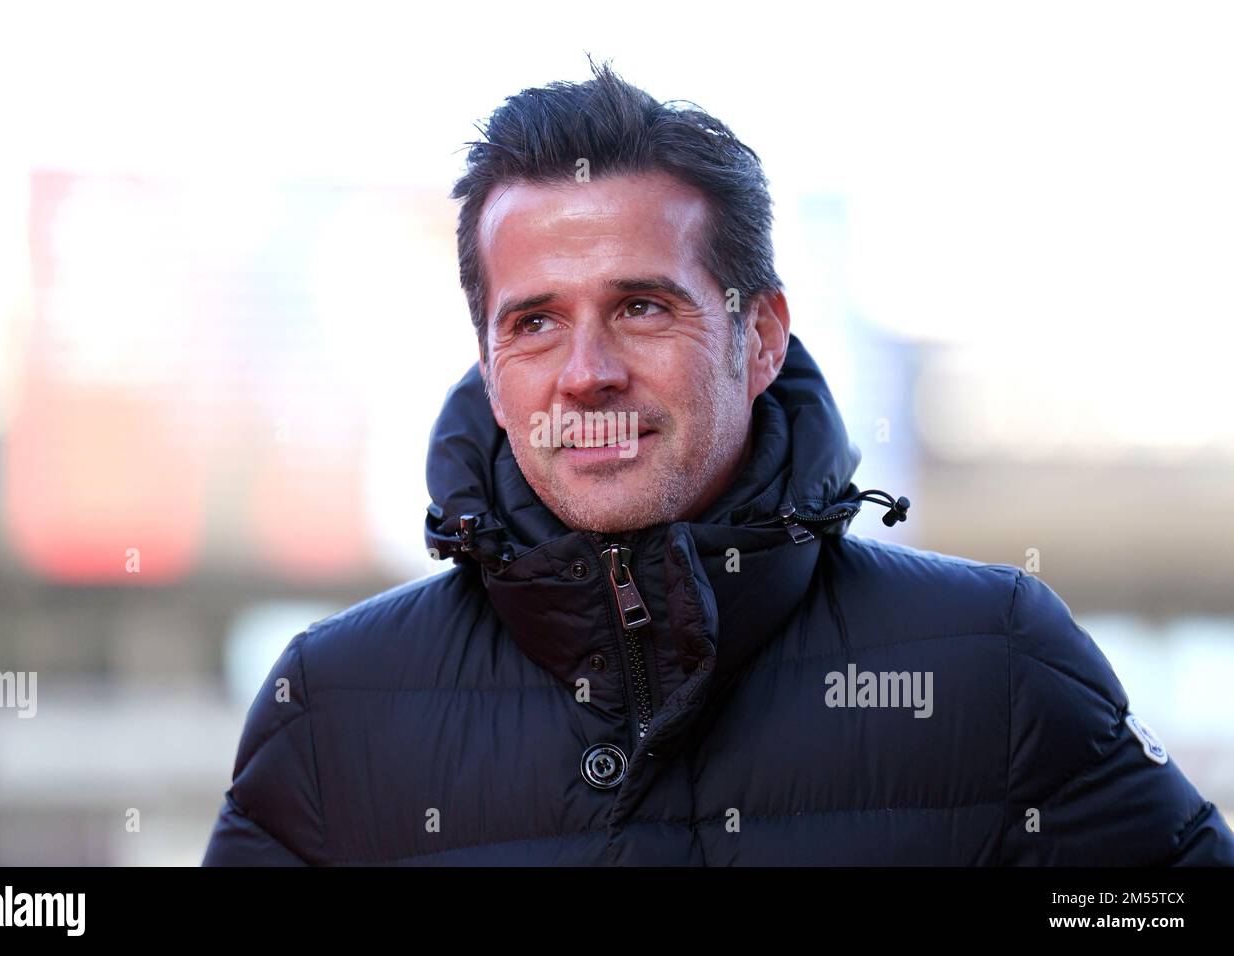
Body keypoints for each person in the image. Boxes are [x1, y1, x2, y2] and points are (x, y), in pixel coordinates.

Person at [202, 59, 1234, 866]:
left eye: (641, 306)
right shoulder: (331, 705)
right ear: (487, 361)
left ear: (763, 335)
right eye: (535, 322)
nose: (587, 373)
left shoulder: (995, 663)